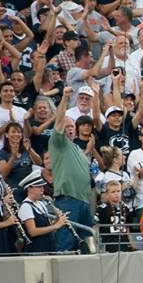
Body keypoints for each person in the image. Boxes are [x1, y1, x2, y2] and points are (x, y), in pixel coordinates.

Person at [49, 86, 92, 252]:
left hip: (83, 201)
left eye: (72, 126)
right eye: (67, 127)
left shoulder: (78, 149)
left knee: (87, 244)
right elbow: (59, 120)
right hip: (68, 199)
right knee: (65, 243)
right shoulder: (58, 143)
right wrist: (65, 99)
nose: (70, 129)